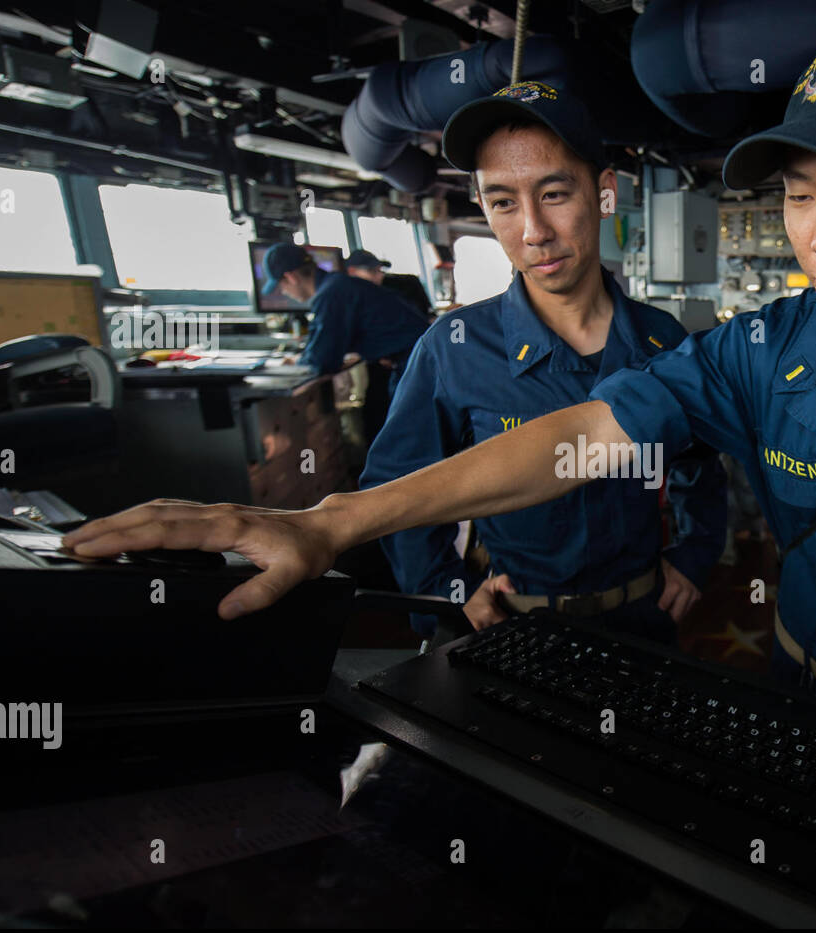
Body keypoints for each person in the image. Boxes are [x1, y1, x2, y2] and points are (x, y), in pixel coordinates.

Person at [64, 21, 816, 928]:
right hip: (792, 706)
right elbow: (581, 433)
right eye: (800, 197)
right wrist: (340, 519)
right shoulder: (752, 349)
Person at [359, 82, 727, 642]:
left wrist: (696, 552)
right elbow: (392, 485)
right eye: (504, 202)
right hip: (508, 624)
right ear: (482, 205)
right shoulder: (453, 347)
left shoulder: (663, 339)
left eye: (554, 194)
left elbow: (698, 462)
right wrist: (446, 587)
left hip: (638, 620)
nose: (533, 232)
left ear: (604, 193)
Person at [261, 242, 432, 441]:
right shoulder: (338, 285)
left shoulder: (331, 294)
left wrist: (297, 362)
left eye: (281, 286)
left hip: (415, 367)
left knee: (403, 443)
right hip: (416, 361)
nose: (283, 292)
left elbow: (322, 361)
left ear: (290, 277)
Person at [345, 249, 435, 318]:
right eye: (372, 271)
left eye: (380, 271)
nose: (380, 276)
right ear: (352, 271)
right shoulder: (348, 304)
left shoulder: (391, 295)